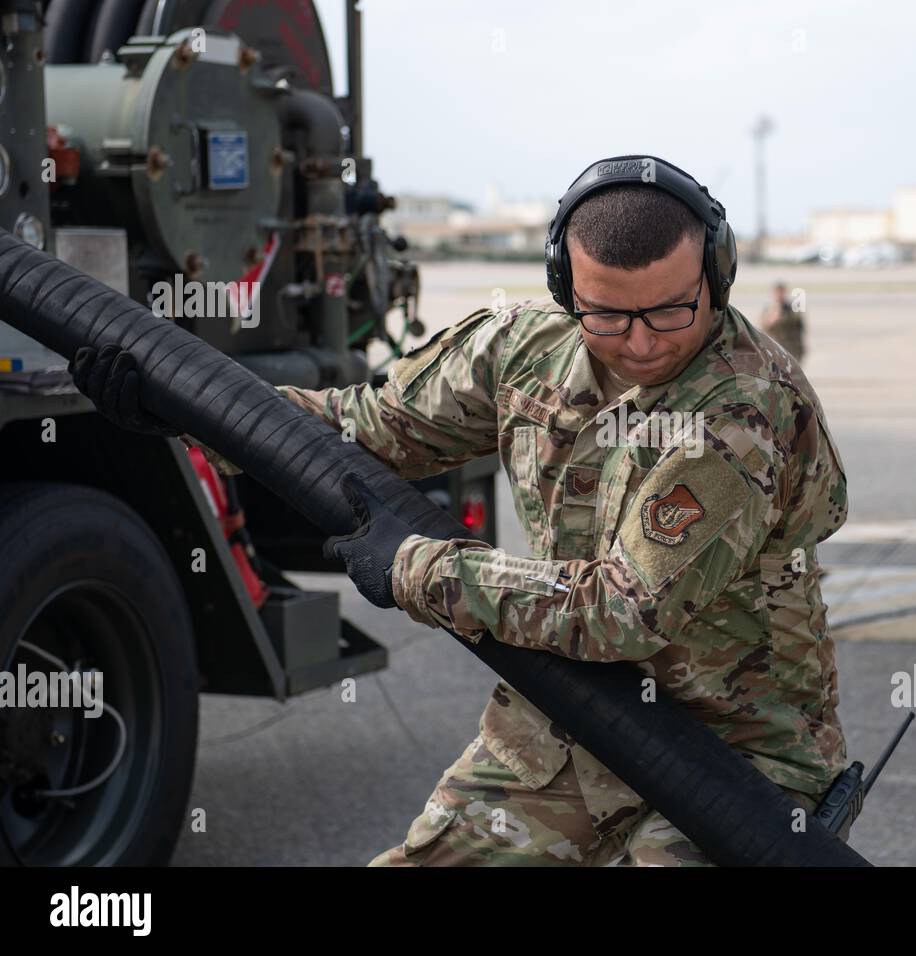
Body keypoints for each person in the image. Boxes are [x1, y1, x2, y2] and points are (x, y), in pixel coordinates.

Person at [71, 156, 849, 866]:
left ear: (717, 275)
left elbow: (621, 611)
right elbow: (361, 429)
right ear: (562, 286)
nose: (641, 344)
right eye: (607, 315)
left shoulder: (740, 418)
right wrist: (185, 412)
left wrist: (417, 568)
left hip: (736, 751)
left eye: (671, 312)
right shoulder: (522, 346)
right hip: (570, 719)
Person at [760, 281, 805, 362]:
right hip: (774, 351)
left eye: (781, 292)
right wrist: (773, 316)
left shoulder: (793, 309)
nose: (779, 295)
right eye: (777, 292)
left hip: (791, 351)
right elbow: (763, 328)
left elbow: (799, 326)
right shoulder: (768, 310)